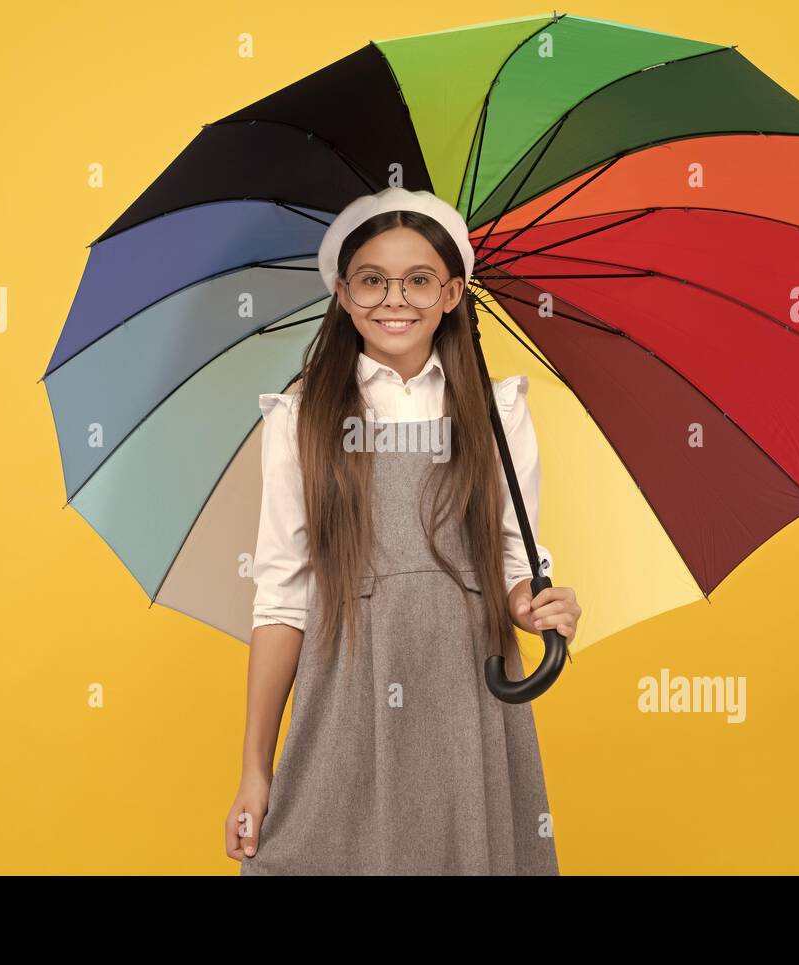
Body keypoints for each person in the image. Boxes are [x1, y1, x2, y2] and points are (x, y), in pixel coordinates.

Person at [226, 187, 581, 875]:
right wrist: (254, 769)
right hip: (347, 692)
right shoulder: (300, 420)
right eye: (372, 280)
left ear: (452, 292)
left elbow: (513, 559)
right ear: (342, 292)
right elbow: (280, 600)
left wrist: (534, 604)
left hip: (468, 691)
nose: (396, 299)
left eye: (418, 280)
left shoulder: (496, 412)